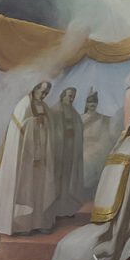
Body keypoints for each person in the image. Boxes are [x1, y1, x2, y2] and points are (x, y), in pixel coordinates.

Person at [44, 119, 130, 260]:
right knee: (114, 235)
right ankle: (78, 255)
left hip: (118, 198)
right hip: (126, 199)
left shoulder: (127, 143)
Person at [0, 81, 60, 236]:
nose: (44, 95)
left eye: (47, 93)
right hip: (24, 157)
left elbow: (50, 128)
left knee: (39, 189)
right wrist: (35, 122)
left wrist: (44, 125)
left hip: (41, 155)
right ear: (34, 88)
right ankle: (21, 226)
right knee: (24, 189)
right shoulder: (23, 105)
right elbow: (19, 128)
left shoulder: (45, 107)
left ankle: (39, 222)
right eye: (42, 91)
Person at [51, 83, 85, 218]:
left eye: (73, 97)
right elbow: (53, 131)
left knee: (68, 179)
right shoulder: (55, 111)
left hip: (70, 150)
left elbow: (78, 128)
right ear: (63, 95)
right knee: (58, 179)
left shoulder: (74, 113)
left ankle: (66, 209)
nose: (71, 99)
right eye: (70, 96)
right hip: (58, 150)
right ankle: (55, 210)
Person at [81, 90, 115, 197]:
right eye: (90, 102)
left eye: (94, 102)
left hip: (98, 147)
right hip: (83, 146)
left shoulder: (103, 118)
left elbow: (107, 135)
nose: (92, 104)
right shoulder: (80, 118)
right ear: (86, 104)